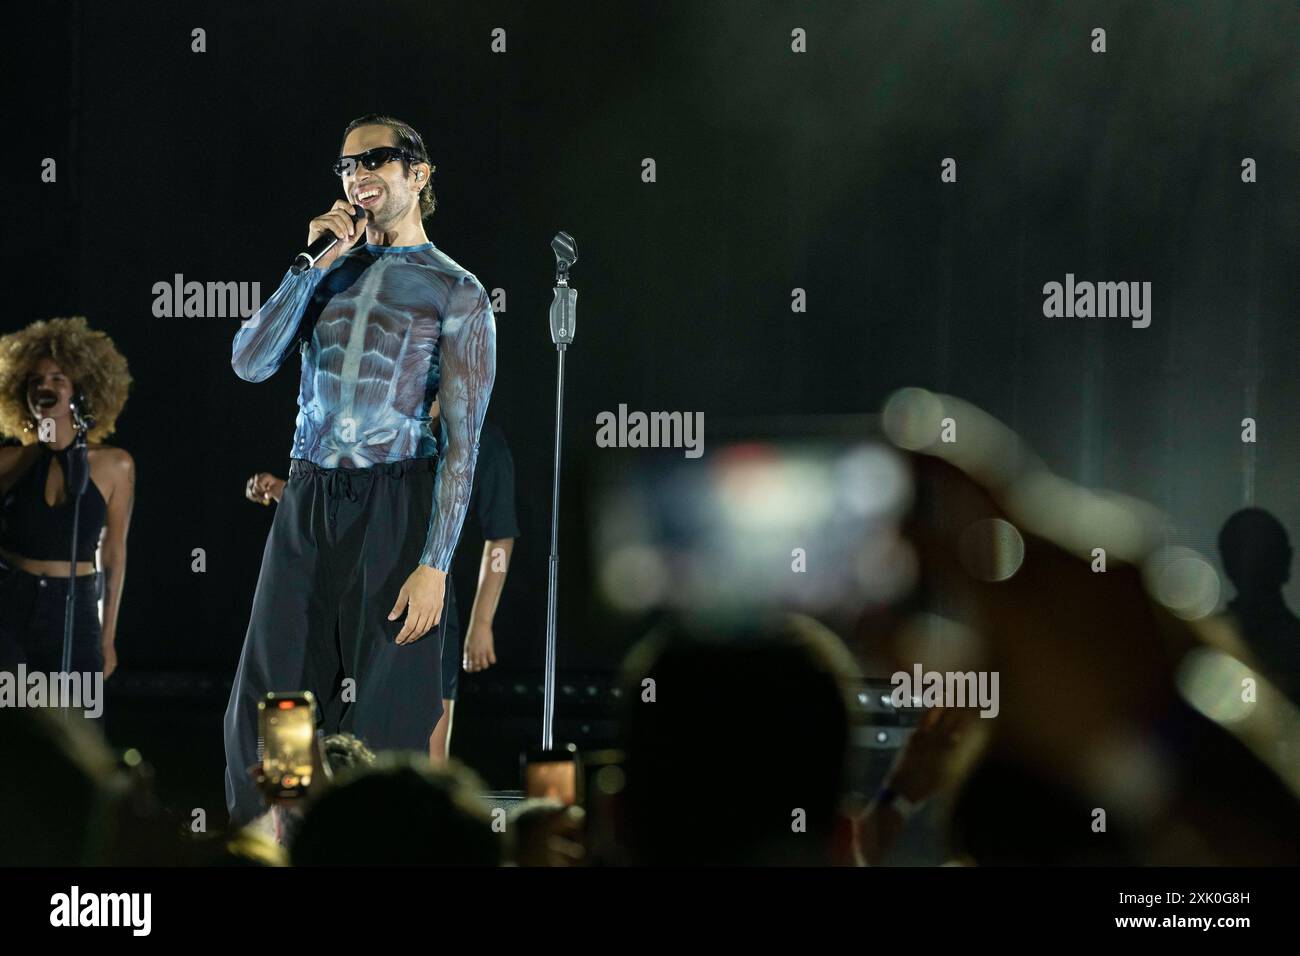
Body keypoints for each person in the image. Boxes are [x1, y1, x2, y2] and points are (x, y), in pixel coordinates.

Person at [222, 113, 497, 828]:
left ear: (420, 173)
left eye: (375, 159)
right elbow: (250, 362)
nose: (357, 175)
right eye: (346, 165)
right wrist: (310, 261)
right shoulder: (326, 272)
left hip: (397, 494)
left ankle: (376, 839)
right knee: (275, 683)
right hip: (310, 489)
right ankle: (274, 837)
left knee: (388, 695)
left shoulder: (456, 289)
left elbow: (464, 444)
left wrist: (436, 563)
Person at [244, 411, 520, 763]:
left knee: (422, 749)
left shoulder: (481, 442)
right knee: (317, 718)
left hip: (423, 599)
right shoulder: (377, 426)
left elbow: (500, 535)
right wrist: (286, 491)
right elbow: (343, 502)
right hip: (353, 591)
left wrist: (481, 623)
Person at [0, 316, 135, 679]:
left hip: (74, 609)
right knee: (13, 727)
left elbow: (114, 554)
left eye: (57, 379)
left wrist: (107, 639)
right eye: (34, 381)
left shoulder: (114, 465)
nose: (44, 386)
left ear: (79, 391)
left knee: (77, 726)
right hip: (11, 604)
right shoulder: (9, 462)